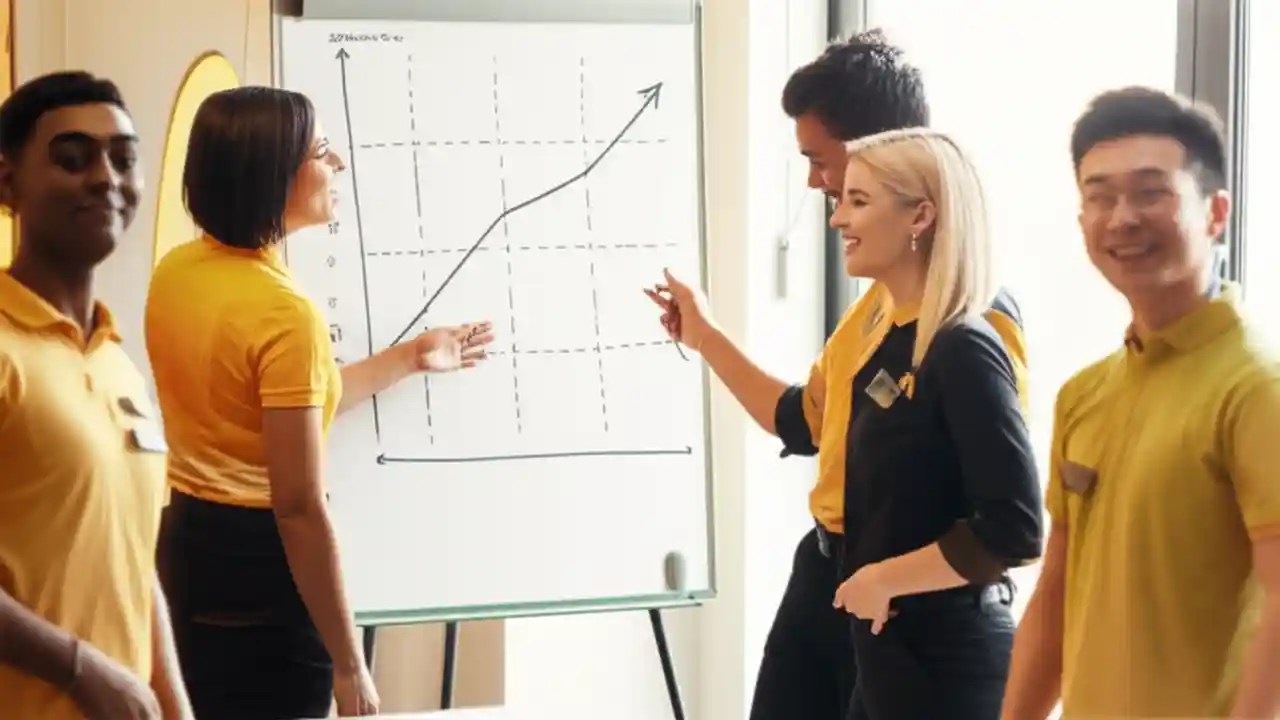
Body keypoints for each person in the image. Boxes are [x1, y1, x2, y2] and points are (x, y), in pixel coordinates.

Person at [646, 30, 1031, 720]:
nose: (819, 190)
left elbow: (1007, 521)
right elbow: (801, 420)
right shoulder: (876, 311)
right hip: (835, 574)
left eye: (823, 164)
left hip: (913, 605)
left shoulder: (969, 327)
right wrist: (704, 337)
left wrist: (886, 576)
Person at [144, 86, 495, 720]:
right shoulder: (285, 312)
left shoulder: (178, 273)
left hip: (187, 554)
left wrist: (413, 356)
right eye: (322, 152)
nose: (338, 166)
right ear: (273, 174)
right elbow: (299, 506)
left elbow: (288, 402)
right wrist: (349, 662)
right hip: (263, 580)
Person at [1001, 87, 1280, 719]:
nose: (1122, 217)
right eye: (1099, 197)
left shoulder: (1257, 387)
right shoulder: (1084, 394)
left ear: (1216, 212)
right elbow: (1057, 592)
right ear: (1081, 221)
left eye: (1151, 192)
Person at [0, 71, 193, 719]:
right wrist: (81, 669)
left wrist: (175, 705)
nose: (106, 178)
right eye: (73, 158)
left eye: (124, 159)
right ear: (7, 184)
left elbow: (134, 568)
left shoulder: (118, 362)